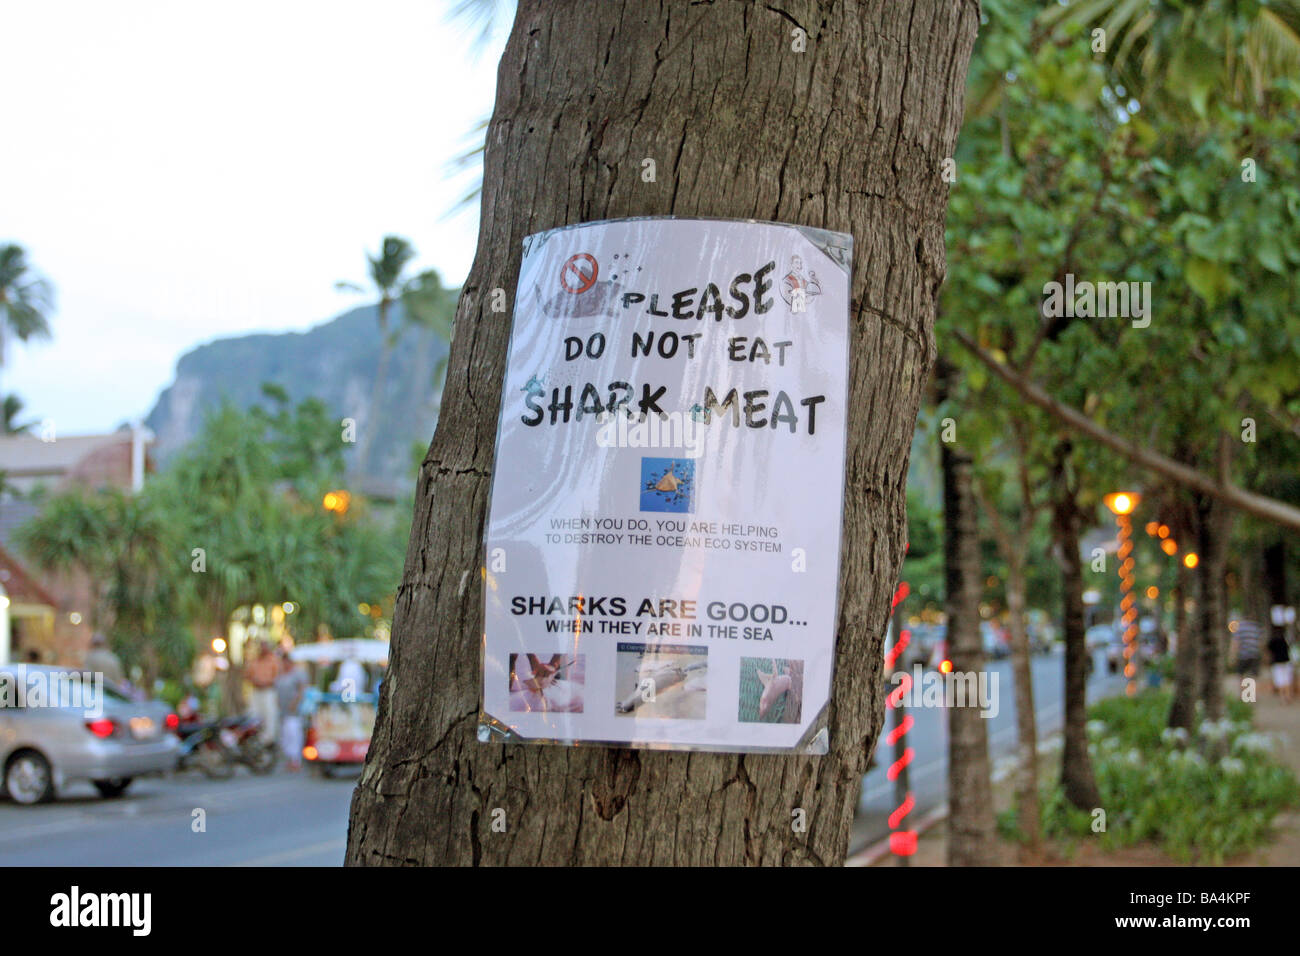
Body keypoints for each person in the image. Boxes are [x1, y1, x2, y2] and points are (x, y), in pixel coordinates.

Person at [275, 652, 309, 771]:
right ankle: (289, 759)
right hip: (283, 711)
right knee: (285, 736)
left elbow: (301, 689)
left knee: (294, 733)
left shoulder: (297, 674)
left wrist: (295, 702)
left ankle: (296, 760)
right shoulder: (280, 675)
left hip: (294, 711)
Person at [246, 641, 280, 744]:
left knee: (269, 715)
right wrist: (256, 682)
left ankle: (268, 740)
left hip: (268, 691)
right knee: (253, 714)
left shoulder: (273, 660)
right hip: (256, 691)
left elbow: (277, 677)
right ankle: (255, 738)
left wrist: (266, 683)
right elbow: (248, 675)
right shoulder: (254, 661)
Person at [1268, 629, 1293, 703]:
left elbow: (1269, 651)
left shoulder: (1273, 641)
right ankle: (1288, 696)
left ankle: (1283, 697)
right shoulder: (1285, 641)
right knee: (1287, 680)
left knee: (1280, 681)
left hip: (1277, 663)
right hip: (1286, 661)